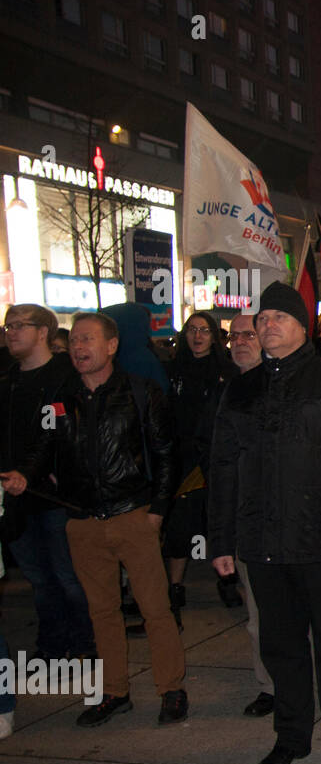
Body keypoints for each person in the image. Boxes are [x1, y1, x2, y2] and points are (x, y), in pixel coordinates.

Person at [208, 282, 321, 764]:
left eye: (278, 318)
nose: (267, 326)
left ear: (303, 327)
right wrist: (220, 541)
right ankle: (291, 737)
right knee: (279, 647)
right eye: (261, 319)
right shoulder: (240, 389)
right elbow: (222, 467)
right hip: (262, 544)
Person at [1, 312, 186, 728]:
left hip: (133, 516)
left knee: (155, 609)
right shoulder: (61, 399)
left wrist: (157, 510)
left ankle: (171, 689)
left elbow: (166, 455)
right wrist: (24, 475)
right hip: (83, 521)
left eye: (88, 340)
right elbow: (42, 446)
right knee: (101, 612)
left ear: (111, 346)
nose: (79, 348)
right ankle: (115, 692)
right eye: (76, 341)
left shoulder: (140, 392)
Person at [0, 305, 96, 660]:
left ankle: (85, 644)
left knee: (69, 577)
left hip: (56, 497)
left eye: (19, 326)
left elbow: (58, 434)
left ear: (43, 332)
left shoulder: (65, 377)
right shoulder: (8, 381)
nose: (11, 332)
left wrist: (35, 473)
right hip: (16, 496)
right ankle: (52, 646)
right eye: (8, 326)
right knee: (40, 580)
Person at [160, 310, 240, 636]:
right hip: (182, 457)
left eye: (203, 330)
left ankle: (226, 580)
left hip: (215, 456)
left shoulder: (226, 371)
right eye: (192, 330)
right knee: (181, 523)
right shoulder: (172, 370)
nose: (197, 336)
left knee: (217, 518)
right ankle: (175, 586)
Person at [225, 312, 275, 718]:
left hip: (291, 520)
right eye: (235, 336)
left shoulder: (285, 386)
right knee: (258, 617)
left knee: (297, 613)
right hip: (248, 520)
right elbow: (222, 465)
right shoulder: (230, 391)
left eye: (248, 334)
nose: (241, 341)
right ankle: (270, 687)